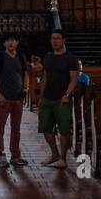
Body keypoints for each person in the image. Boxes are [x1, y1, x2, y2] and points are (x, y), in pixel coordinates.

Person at [31, 30, 79, 169]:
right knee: (45, 128)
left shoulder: (70, 59)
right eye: (52, 38)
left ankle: (63, 159)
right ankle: (54, 154)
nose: (54, 41)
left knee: (63, 129)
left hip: (62, 99)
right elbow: (45, 77)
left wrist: (67, 96)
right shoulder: (48, 56)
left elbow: (73, 80)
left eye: (58, 38)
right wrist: (40, 97)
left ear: (64, 40)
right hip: (47, 98)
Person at [0, 36, 29, 168]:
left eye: (13, 40)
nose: (11, 43)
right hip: (4, 98)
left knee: (16, 128)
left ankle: (15, 156)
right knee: (0, 128)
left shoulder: (20, 56)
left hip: (18, 98)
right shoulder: (0, 57)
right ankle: (0, 155)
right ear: (4, 43)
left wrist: (25, 88)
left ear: (17, 42)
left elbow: (25, 74)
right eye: (8, 40)